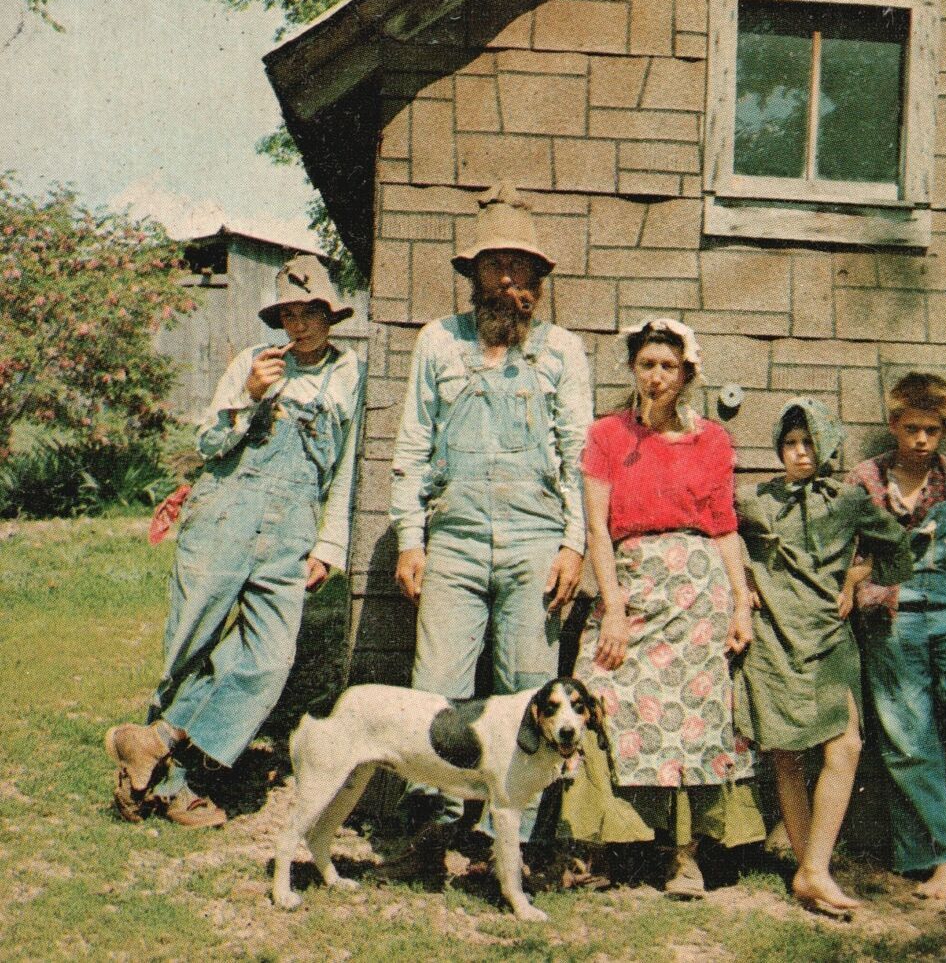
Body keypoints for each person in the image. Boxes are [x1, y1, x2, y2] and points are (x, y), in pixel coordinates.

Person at [105, 255, 364, 828]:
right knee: (191, 650)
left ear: (330, 314)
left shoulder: (351, 374)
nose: (299, 327)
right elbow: (207, 445)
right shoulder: (253, 362)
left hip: (291, 531)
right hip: (225, 516)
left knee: (268, 661)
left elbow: (345, 469)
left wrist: (329, 547)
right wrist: (247, 397)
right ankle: (173, 788)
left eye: (311, 313)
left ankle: (154, 740)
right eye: (288, 315)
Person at [386, 185, 592, 866]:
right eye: (494, 266)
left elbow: (577, 456)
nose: (509, 281)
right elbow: (413, 446)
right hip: (455, 542)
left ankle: (513, 840)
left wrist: (573, 543)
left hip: (537, 544)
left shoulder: (563, 353)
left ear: (539, 280)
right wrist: (411, 540)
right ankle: (436, 824)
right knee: (435, 688)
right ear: (473, 275)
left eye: (521, 268)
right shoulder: (439, 343)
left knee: (527, 684)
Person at [573, 318, 763, 899]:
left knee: (693, 716)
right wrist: (611, 607)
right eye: (647, 364)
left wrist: (741, 606)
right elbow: (598, 531)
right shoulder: (607, 436)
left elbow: (726, 528)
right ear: (633, 368)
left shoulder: (712, 440)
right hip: (631, 584)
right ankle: (598, 847)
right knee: (597, 689)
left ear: (687, 374)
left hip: (699, 593)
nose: (656, 377)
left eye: (668, 367)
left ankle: (685, 857)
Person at [734, 398, 912, 918]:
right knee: (786, 754)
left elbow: (900, 547)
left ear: (826, 446)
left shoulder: (850, 501)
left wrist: (860, 575)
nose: (800, 453)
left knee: (846, 744)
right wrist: (742, 581)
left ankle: (814, 866)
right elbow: (717, 536)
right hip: (774, 636)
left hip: (829, 634)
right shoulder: (755, 500)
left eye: (809, 442)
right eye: (790, 444)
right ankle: (811, 872)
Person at [844, 372, 946, 900]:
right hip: (888, 616)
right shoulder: (865, 480)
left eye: (932, 430)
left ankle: (918, 742)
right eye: (911, 428)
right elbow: (841, 544)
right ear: (893, 425)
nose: (921, 440)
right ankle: (941, 856)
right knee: (906, 740)